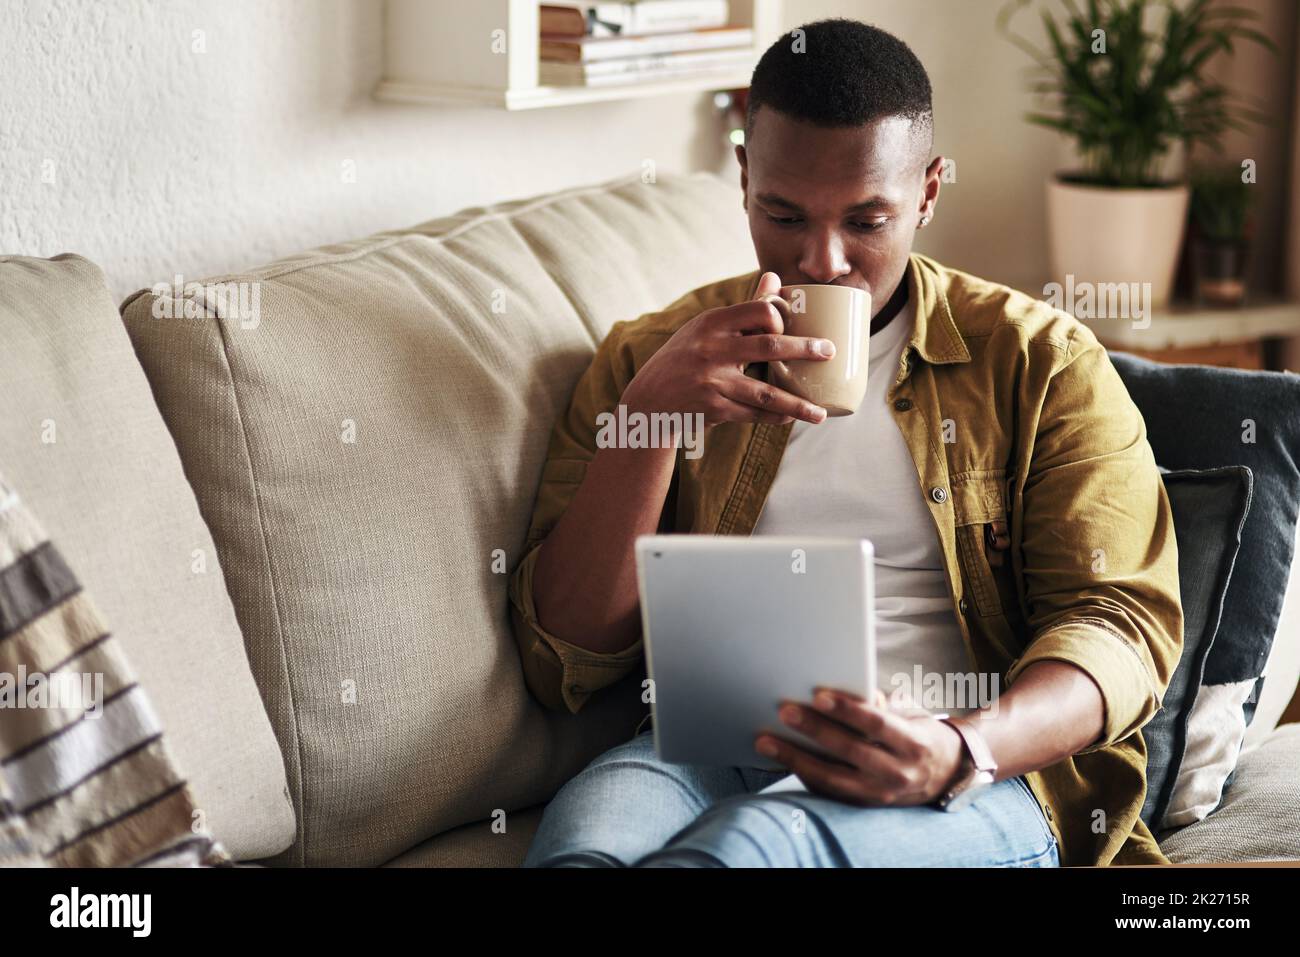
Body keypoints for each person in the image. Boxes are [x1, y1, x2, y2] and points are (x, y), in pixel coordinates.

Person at [508, 18, 1183, 868]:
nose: (821, 261)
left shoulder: (1041, 361)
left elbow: (1122, 628)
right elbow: (562, 658)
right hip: (708, 749)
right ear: (745, 174)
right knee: (587, 851)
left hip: (972, 769)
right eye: (782, 214)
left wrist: (961, 747)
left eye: (867, 220)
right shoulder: (654, 357)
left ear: (929, 192)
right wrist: (649, 422)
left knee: (746, 850)